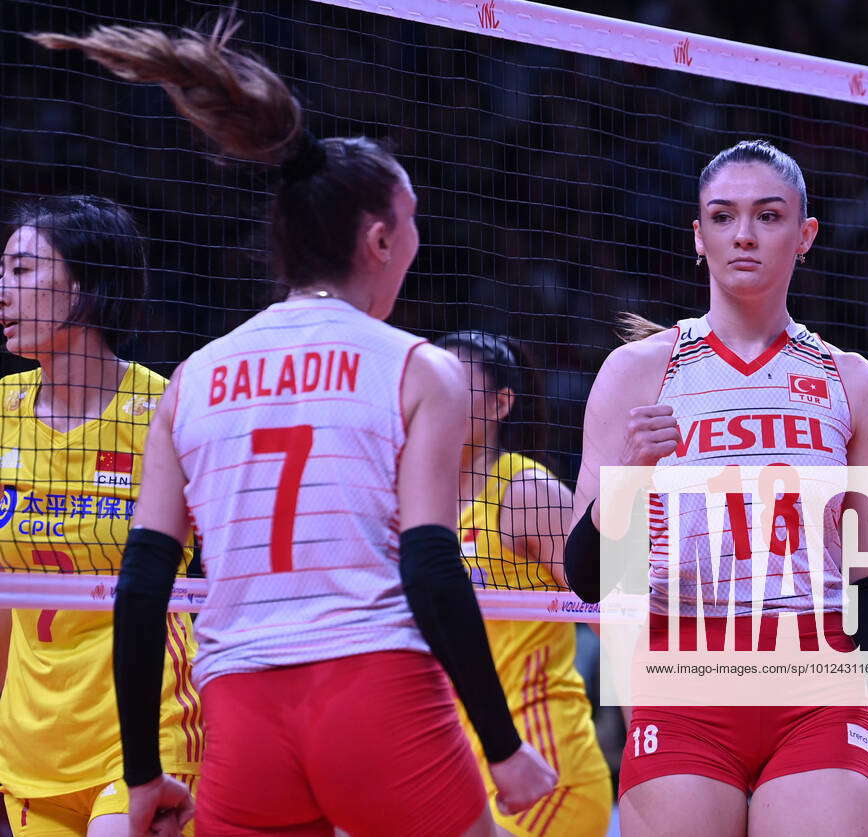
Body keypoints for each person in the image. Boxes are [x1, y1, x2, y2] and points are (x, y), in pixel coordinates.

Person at [30, 19, 557, 837]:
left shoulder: (195, 377)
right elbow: (429, 567)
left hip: (242, 713)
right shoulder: (420, 367)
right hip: (377, 694)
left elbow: (140, 588)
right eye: (411, 223)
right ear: (381, 239)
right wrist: (502, 747)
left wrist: (140, 773)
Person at [563, 140, 868, 836]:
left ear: (805, 235)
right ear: (697, 237)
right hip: (682, 680)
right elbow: (586, 575)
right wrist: (628, 476)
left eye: (768, 216)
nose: (744, 234)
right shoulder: (638, 371)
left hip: (817, 684)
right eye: (723, 216)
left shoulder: (852, 382)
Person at [0, 195, 201, 836]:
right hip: (31, 744)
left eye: (24, 271)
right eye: (2, 272)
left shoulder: (168, 411)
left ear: (85, 285)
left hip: (150, 725)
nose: (3, 290)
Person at [437, 331, 612, 836]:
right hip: (453, 765)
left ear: (500, 403)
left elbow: (617, 617)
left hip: (545, 765)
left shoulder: (527, 493)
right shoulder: (419, 501)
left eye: (453, 384)